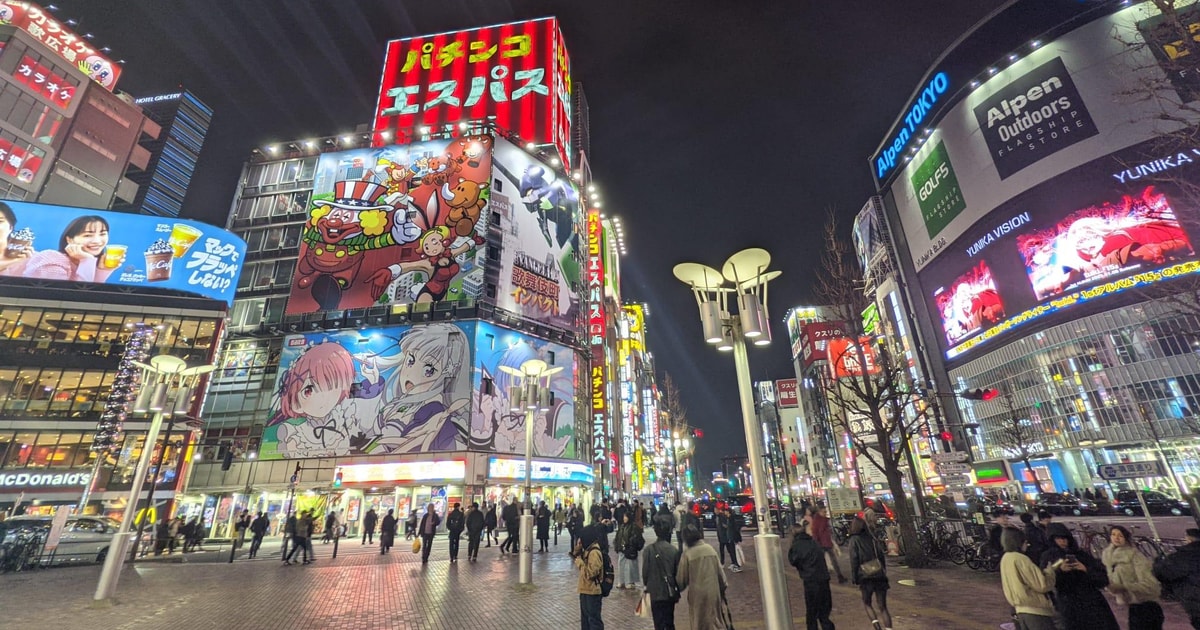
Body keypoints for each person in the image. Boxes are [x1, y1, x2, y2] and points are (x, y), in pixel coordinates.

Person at [1039, 522, 1118, 630]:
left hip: (1092, 602)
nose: (1063, 542)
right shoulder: (1048, 557)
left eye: (1065, 538)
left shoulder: (1081, 554)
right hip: (1069, 605)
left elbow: (1102, 579)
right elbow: (1045, 581)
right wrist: (1059, 571)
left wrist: (1085, 569)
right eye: (1059, 539)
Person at [20, 215, 119, 282]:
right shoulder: (51, 258)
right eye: (88, 235)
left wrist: (102, 270)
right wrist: (87, 260)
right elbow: (67, 296)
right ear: (70, 240)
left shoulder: (88, 264)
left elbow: (90, 298)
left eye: (103, 234)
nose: (97, 241)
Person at [1101, 525, 1163, 630]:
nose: (1116, 538)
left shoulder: (1135, 556)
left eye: (1120, 535)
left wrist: (1124, 587)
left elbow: (1151, 585)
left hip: (1147, 606)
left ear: (1126, 538)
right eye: (1113, 535)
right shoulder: (1109, 557)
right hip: (1132, 607)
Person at [677, 524, 733, 630]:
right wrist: (722, 588)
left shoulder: (688, 554)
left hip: (697, 594)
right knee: (715, 621)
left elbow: (681, 580)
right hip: (713, 592)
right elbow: (721, 576)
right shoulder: (710, 549)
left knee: (699, 622)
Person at [999, 528, 1057, 630]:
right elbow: (1041, 585)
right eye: (1025, 542)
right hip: (1035, 609)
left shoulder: (1006, 558)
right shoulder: (1021, 559)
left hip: (1020, 609)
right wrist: (1050, 572)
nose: (1027, 545)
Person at [789, 519, 836, 630]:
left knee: (812, 613)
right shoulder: (813, 542)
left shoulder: (797, 546)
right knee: (824, 613)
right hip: (823, 579)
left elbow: (793, 560)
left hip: (811, 580)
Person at [848, 516, 892, 630]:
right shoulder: (872, 538)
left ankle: (877, 627)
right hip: (879, 575)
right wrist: (883, 570)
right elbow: (881, 555)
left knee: (867, 603)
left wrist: (855, 577)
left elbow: (854, 559)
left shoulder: (854, 540)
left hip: (865, 576)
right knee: (883, 606)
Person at [1154, 527, 1200, 628]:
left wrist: (1158, 562)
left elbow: (1163, 573)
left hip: (1195, 603)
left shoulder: (1181, 556)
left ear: (1188, 539)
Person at [642, 517, 681, 630]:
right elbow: (677, 573)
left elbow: (645, 572)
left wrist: (647, 584)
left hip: (654, 590)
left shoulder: (649, 550)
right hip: (669, 591)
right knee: (669, 621)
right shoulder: (673, 550)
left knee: (658, 622)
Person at [573, 526, 605, 630]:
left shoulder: (594, 552)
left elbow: (591, 573)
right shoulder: (587, 549)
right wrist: (577, 549)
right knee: (585, 620)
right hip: (585, 590)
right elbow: (574, 555)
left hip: (592, 591)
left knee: (593, 620)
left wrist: (580, 563)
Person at [809, 504, 846, 583]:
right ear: (819, 512)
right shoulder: (818, 520)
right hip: (822, 543)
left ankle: (839, 576)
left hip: (826, 542)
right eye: (824, 511)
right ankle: (826, 575)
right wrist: (817, 543)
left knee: (832, 560)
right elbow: (815, 532)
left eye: (826, 511)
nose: (825, 513)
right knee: (823, 560)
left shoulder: (823, 519)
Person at [614, 512, 644, 589]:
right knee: (621, 566)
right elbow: (618, 537)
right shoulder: (622, 526)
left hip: (630, 550)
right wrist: (617, 546)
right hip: (622, 549)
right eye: (624, 516)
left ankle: (630, 582)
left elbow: (636, 538)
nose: (624, 518)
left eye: (626, 517)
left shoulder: (633, 527)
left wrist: (630, 546)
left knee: (630, 567)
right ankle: (622, 581)